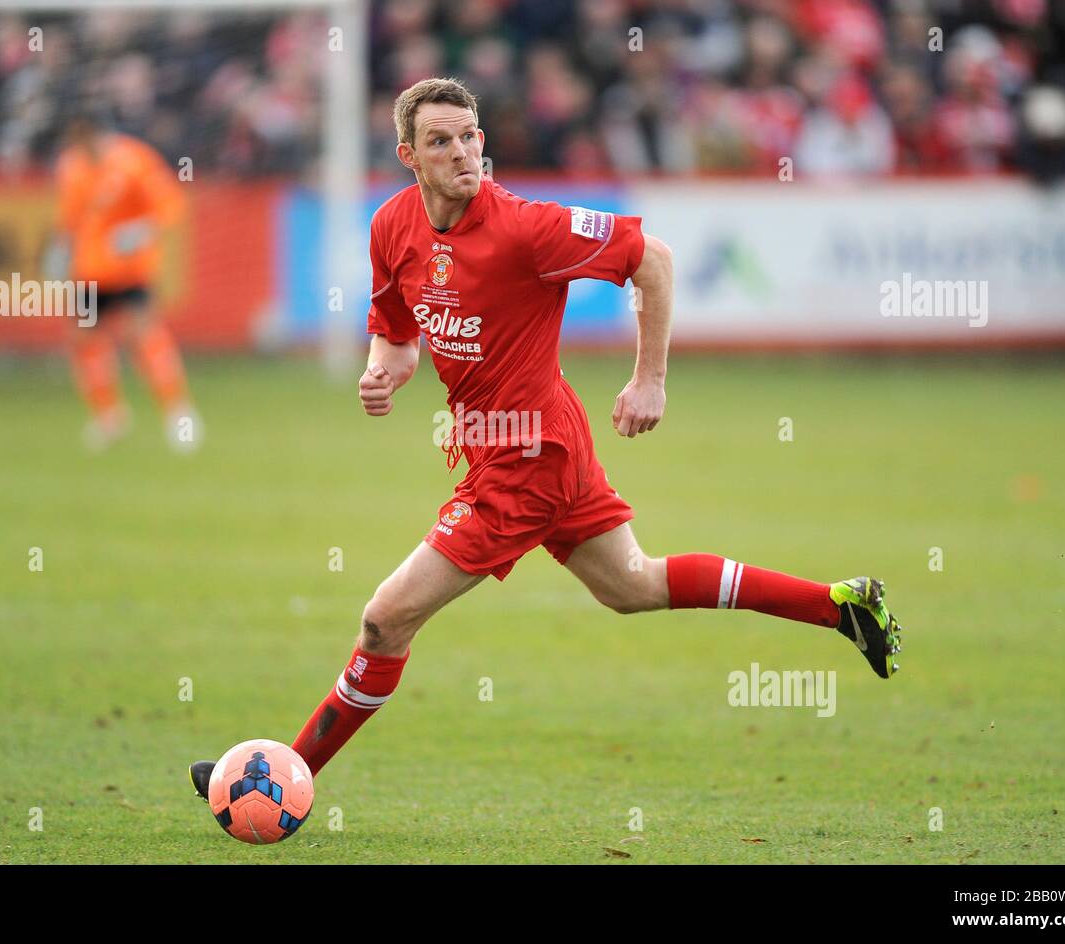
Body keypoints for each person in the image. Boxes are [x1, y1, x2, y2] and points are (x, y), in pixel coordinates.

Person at [189, 77, 902, 819]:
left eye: (470, 136)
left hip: (530, 457)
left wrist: (649, 380)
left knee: (385, 618)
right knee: (632, 585)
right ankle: (840, 606)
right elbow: (396, 334)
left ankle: (285, 778)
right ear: (408, 155)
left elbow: (650, 258)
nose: (463, 152)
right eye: (441, 141)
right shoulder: (393, 225)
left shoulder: (527, 226)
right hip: (514, 445)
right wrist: (381, 373)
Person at [51, 112, 200, 452]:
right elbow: (70, 218)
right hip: (88, 270)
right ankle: (109, 416)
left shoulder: (134, 160)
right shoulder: (71, 167)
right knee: (85, 337)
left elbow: (171, 204)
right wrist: (60, 251)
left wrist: (144, 229)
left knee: (143, 333)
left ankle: (179, 413)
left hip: (130, 268)